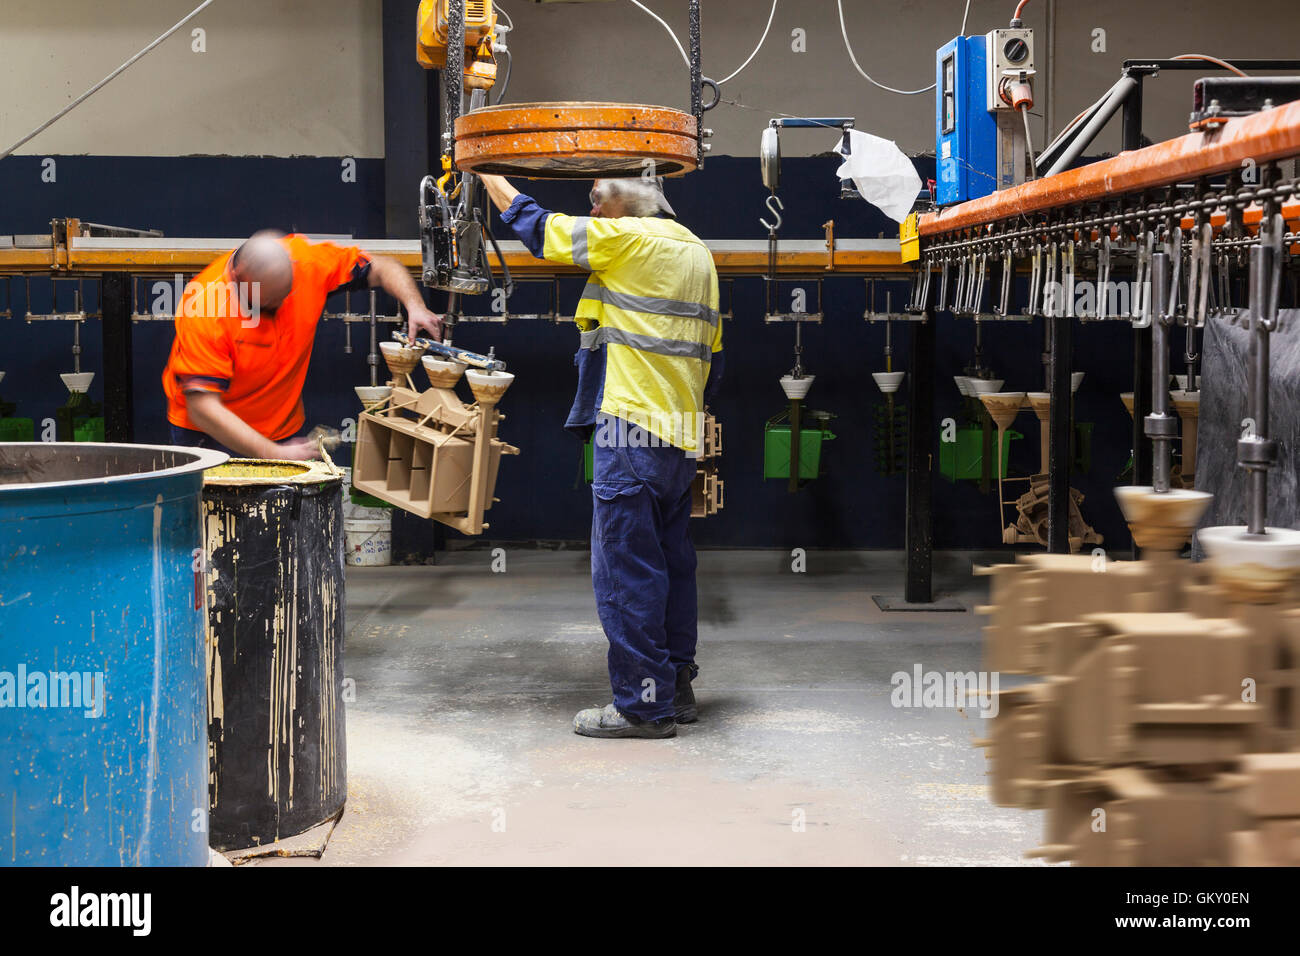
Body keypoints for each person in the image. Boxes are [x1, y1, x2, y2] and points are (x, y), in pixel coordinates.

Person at [478, 173, 724, 739]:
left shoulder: (626, 239)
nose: (592, 212)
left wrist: (485, 171)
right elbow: (714, 354)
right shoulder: (698, 253)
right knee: (670, 562)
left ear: (623, 208)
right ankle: (674, 687)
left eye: (597, 203)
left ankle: (642, 708)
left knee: (625, 568)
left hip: (631, 425)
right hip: (679, 431)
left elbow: (539, 229)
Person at [162, 230, 442, 459]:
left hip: (280, 429)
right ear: (239, 280)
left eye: (286, 295)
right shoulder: (206, 307)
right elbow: (203, 409)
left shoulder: (307, 263)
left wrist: (415, 305)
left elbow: (383, 266)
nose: (282, 307)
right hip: (209, 436)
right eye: (269, 305)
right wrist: (272, 453)